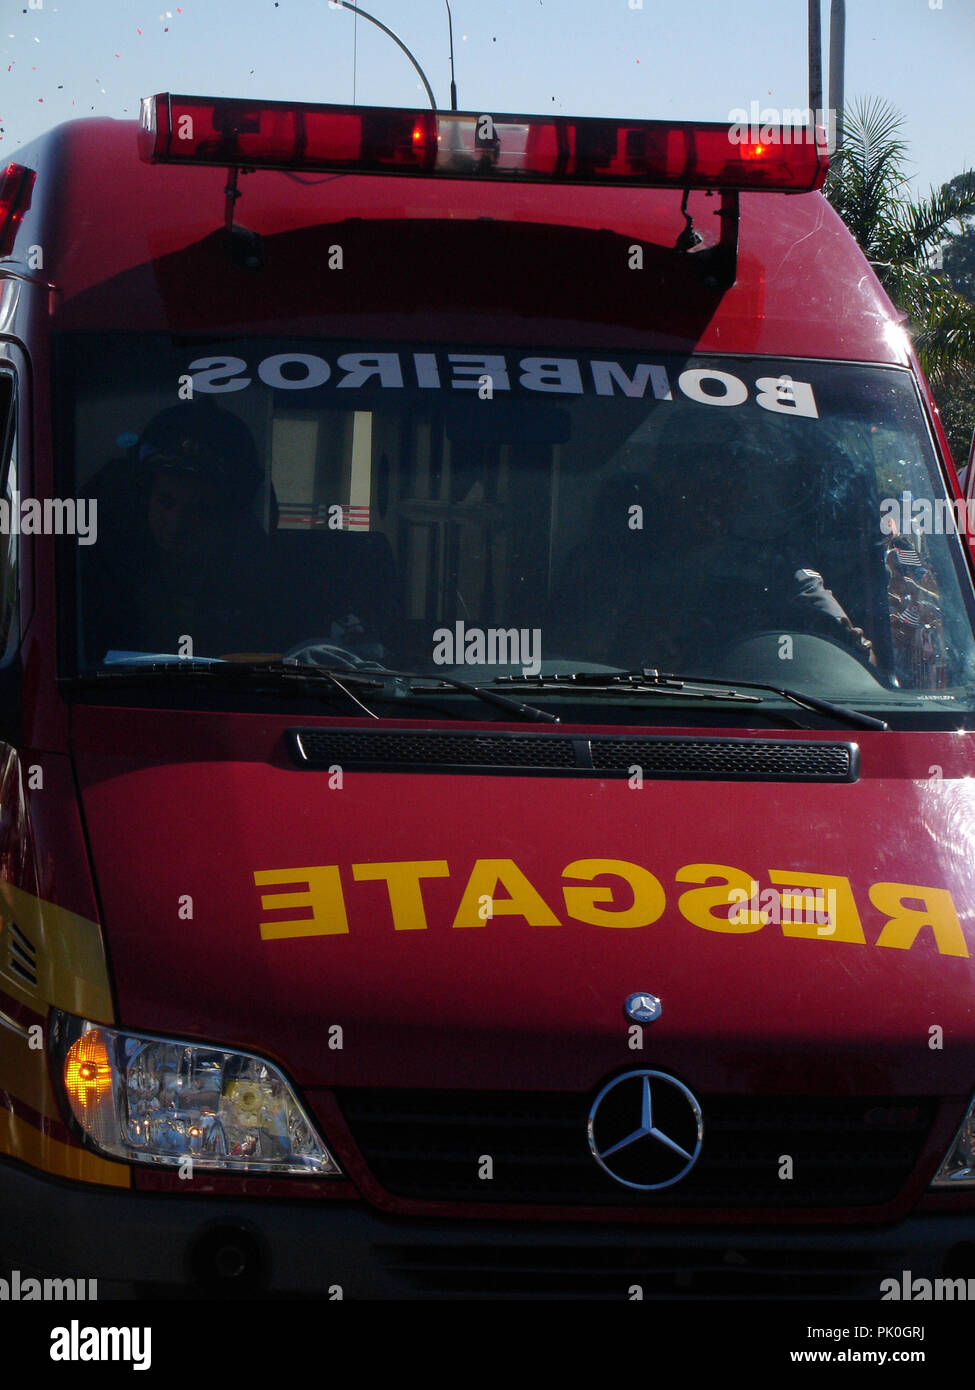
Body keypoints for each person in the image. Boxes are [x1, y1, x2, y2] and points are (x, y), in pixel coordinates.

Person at [83, 400, 274, 661]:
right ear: (144, 498)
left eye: (198, 509)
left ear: (228, 514)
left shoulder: (256, 576)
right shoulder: (99, 572)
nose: (176, 525)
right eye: (165, 502)